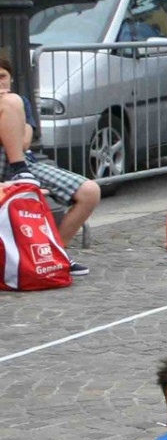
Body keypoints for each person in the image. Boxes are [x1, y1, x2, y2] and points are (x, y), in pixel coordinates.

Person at [0, 54, 99, 275]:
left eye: (3, 77)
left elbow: (24, 141)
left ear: (11, 79)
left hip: (22, 162)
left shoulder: (18, 101)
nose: (0, 83)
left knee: (89, 192)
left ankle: (54, 253)